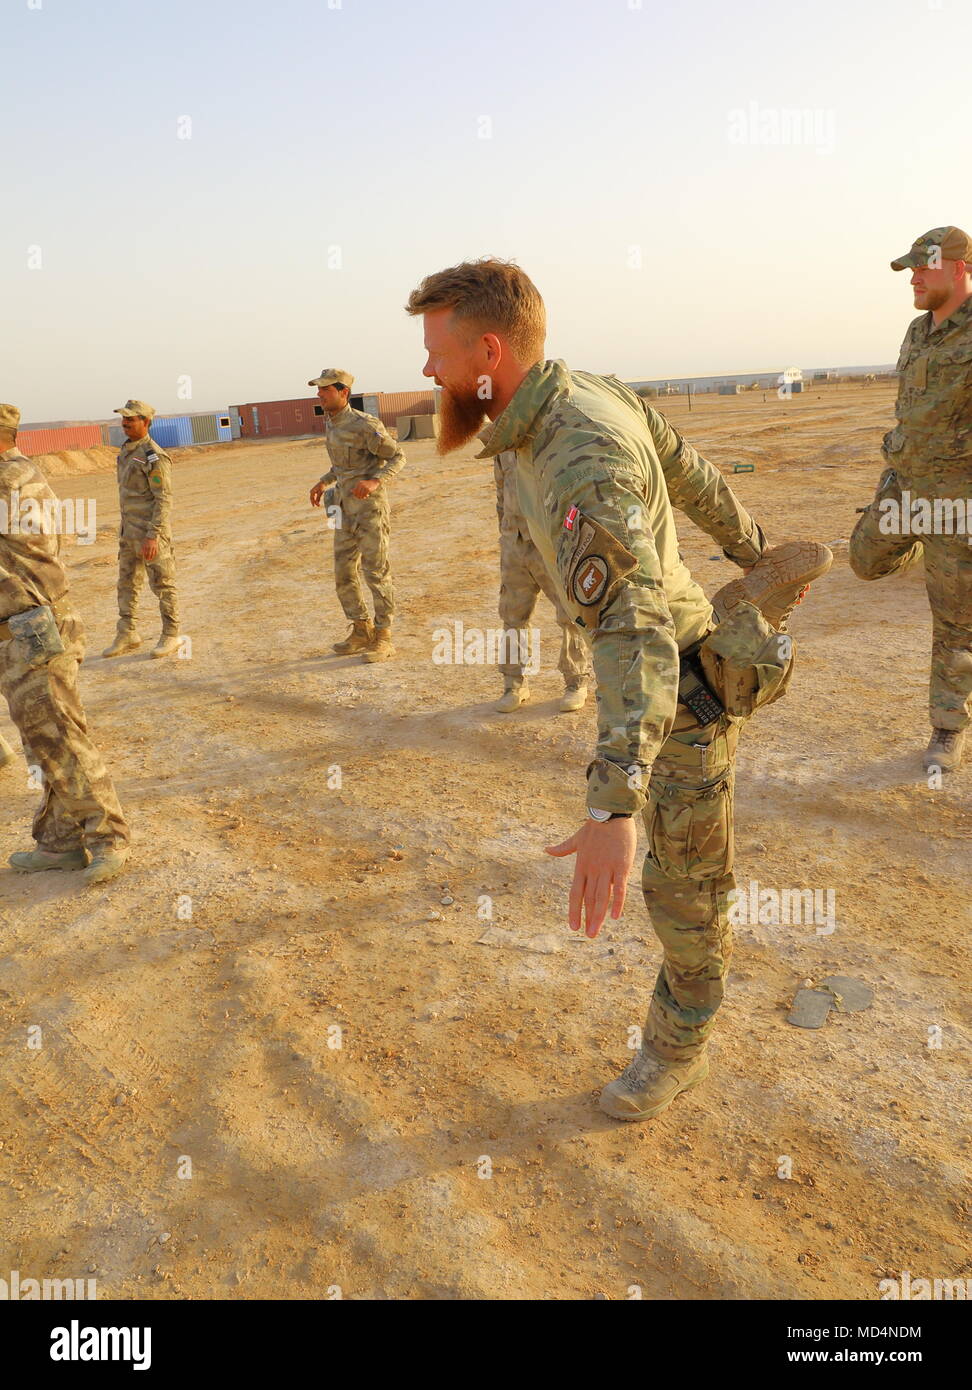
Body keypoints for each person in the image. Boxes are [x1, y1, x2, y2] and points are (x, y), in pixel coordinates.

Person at [405, 259, 831, 1121]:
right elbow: (690, 469)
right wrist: (752, 550)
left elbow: (635, 634)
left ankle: (680, 1049)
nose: (427, 374)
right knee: (681, 882)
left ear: (490, 348)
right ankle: (757, 603)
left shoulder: (579, 455)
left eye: (436, 355)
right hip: (654, 664)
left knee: (684, 894)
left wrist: (612, 810)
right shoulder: (580, 395)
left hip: (678, 699)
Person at [850, 226, 972, 773]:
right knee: (863, 560)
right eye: (911, 269)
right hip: (903, 490)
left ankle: (948, 729)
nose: (915, 278)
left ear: (960, 268)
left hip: (956, 506)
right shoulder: (916, 332)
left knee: (954, 623)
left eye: (924, 267)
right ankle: (915, 548)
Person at [0, 403, 130, 884]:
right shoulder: (20, 472)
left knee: (62, 741)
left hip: (31, 627)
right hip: (26, 627)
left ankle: (107, 837)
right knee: (43, 744)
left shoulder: (8, 479)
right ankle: (58, 843)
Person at [307, 369, 405, 663]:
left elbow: (398, 456)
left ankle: (384, 636)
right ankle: (361, 630)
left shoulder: (365, 425)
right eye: (319, 390)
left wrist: (376, 481)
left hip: (369, 511)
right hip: (341, 509)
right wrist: (324, 481)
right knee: (344, 572)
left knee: (376, 571)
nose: (319, 395)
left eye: (325, 390)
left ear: (343, 392)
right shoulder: (332, 424)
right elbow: (342, 466)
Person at [492, 442, 590, 713]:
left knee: (569, 615)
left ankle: (575, 681)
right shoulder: (503, 444)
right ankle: (514, 684)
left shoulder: (550, 440)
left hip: (549, 541)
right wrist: (506, 534)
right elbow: (501, 492)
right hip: (515, 542)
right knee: (512, 615)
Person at [102, 400, 181, 660]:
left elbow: (163, 498)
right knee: (126, 584)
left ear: (145, 422)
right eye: (124, 419)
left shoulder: (153, 455)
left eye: (131, 419)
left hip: (150, 535)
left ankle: (172, 634)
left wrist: (153, 536)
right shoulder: (125, 451)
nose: (125, 423)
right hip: (128, 534)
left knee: (163, 584)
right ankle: (127, 633)